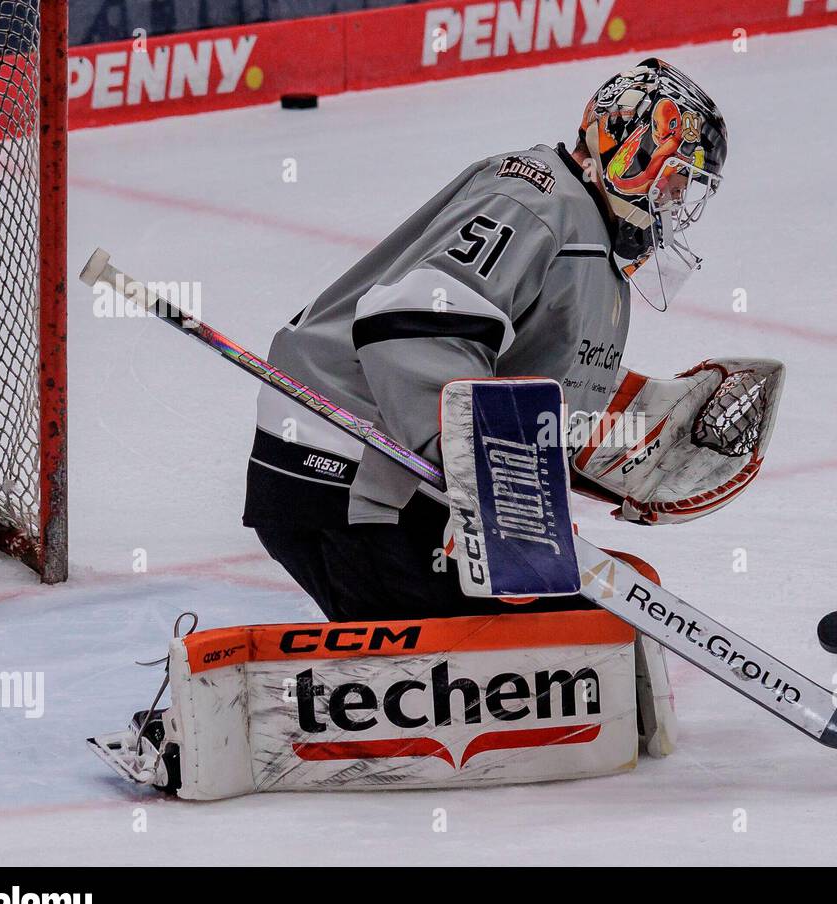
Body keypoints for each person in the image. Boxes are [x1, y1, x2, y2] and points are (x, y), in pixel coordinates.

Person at [243, 58, 732, 622]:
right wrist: (495, 502)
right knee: (578, 628)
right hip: (351, 477)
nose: (676, 201)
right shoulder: (533, 202)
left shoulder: (593, 239)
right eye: (674, 178)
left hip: (394, 484)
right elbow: (409, 328)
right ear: (634, 150)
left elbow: (526, 381)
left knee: (610, 604)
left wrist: (624, 446)